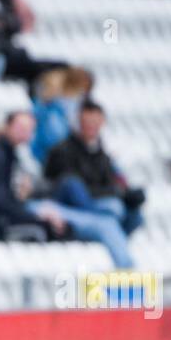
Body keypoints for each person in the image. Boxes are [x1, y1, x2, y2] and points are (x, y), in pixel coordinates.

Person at [0, 110, 134, 267]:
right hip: (16, 215)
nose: (24, 133)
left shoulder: (11, 155)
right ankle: (130, 283)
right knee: (105, 223)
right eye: (20, 127)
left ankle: (127, 282)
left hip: (29, 207)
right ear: (7, 126)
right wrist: (36, 216)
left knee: (115, 211)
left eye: (29, 129)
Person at [43, 99, 144, 238]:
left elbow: (109, 182)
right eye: (86, 123)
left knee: (134, 214)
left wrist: (126, 195)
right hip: (70, 208)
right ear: (78, 122)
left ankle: (111, 236)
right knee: (113, 207)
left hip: (97, 202)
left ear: (102, 122)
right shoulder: (62, 150)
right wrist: (116, 193)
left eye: (94, 123)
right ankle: (106, 232)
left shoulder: (101, 153)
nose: (90, 127)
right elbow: (74, 190)